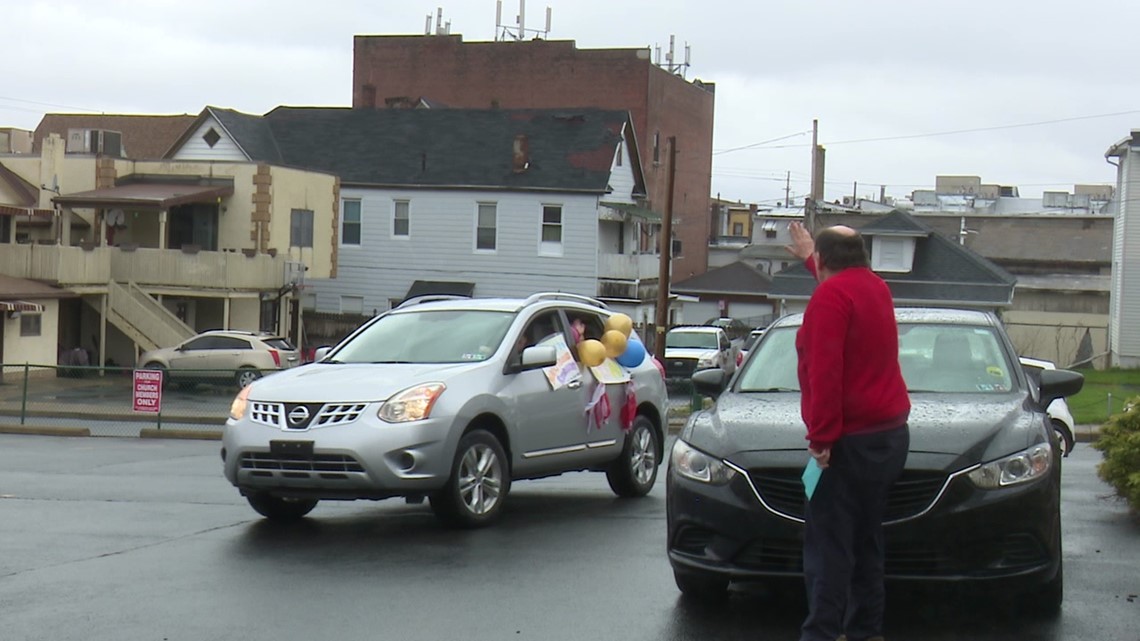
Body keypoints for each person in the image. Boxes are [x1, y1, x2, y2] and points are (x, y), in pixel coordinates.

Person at [785, 221, 911, 641]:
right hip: (889, 436)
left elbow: (825, 373)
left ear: (823, 260)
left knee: (828, 549)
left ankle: (821, 633)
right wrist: (811, 257)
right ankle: (864, 630)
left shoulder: (829, 299)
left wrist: (821, 440)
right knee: (866, 541)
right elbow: (842, 290)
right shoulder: (876, 288)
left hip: (847, 442)